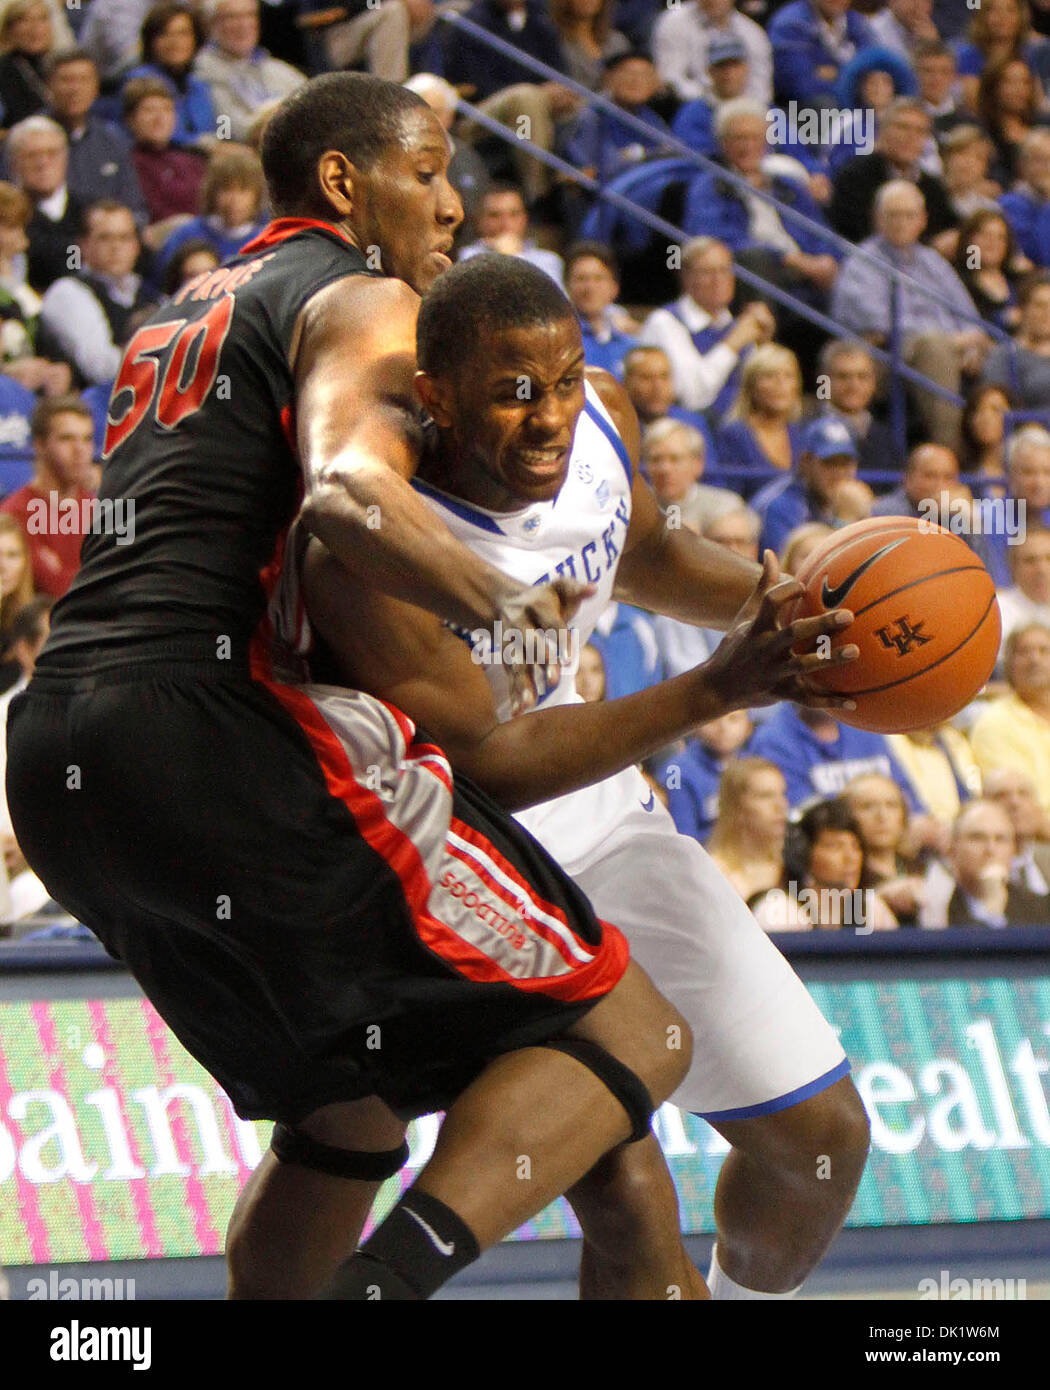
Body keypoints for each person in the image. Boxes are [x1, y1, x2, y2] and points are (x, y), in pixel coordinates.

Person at [5, 71, 705, 1307]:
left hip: (64, 759)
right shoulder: (364, 292)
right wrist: (497, 601)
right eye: (429, 173)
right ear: (344, 183)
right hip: (216, 729)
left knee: (351, 1124)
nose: (452, 205)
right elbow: (347, 490)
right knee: (632, 1036)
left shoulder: (183, 308)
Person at [297, 250, 870, 1302]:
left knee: (820, 1143)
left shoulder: (605, 413)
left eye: (562, 380)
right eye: (514, 392)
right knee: (631, 1206)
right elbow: (492, 770)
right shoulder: (369, 563)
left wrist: (792, 617)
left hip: (613, 823)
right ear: (436, 397)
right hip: (466, 865)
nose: (550, 415)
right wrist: (713, 690)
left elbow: (644, 551)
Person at [831, 180, 991, 455]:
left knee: (1004, 355)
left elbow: (970, 318)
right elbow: (879, 325)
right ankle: (950, 455)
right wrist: (954, 341)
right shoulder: (862, 262)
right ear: (877, 218)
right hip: (883, 354)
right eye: (893, 215)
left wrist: (973, 344)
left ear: (923, 220)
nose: (902, 222)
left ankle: (1002, 455)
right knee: (934, 346)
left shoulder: (932, 261)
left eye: (910, 215)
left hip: (948, 348)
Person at [639, 235, 776, 420]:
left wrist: (764, 345)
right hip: (687, 433)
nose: (718, 279)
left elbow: (762, 397)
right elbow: (692, 397)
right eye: (707, 272)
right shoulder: (665, 322)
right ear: (686, 278)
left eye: (724, 270)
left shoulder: (740, 327)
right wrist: (733, 343)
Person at [38, 200, 158, 387]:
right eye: (105, 238)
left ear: (136, 246)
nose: (115, 247)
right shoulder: (69, 292)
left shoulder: (152, 294)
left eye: (124, 238)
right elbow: (100, 367)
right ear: (84, 245)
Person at [827, 97, 956, 248]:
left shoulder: (932, 187)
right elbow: (854, 235)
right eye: (902, 127)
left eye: (919, 131)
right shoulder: (854, 177)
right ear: (882, 131)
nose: (910, 136)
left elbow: (950, 230)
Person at [0, 394, 94, 596]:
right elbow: (53, 590)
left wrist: (61, 573)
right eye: (66, 439)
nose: (80, 450)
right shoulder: (15, 515)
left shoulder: (104, 511)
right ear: (39, 445)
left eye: (87, 439)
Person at [44, 50, 148, 224]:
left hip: (108, 238)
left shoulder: (114, 140)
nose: (74, 89)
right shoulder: (29, 139)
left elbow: (134, 205)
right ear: (48, 86)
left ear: (96, 88)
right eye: (66, 80)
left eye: (83, 80)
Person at [194, 0, 305, 146]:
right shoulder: (203, 76)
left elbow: (314, 101)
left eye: (249, 15)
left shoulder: (275, 68)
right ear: (212, 24)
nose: (243, 25)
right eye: (232, 17)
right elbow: (226, 132)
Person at [750, 415, 859, 556]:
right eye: (830, 463)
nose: (839, 474)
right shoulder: (779, 507)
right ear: (805, 462)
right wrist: (845, 521)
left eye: (845, 464)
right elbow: (789, 572)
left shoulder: (852, 501)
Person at [971, 621, 1050, 814]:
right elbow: (1018, 811)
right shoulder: (995, 723)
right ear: (1009, 664)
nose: (1035, 660)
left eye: (1044, 651)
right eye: (1024, 652)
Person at [933, 799, 1050, 927]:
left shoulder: (1040, 909)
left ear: (1013, 850)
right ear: (953, 848)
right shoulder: (935, 906)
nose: (990, 849)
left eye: (1000, 839)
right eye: (977, 838)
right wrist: (991, 912)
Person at [121, 2, 217, 149]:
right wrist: (202, 143)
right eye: (164, 34)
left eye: (183, 33)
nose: (175, 41)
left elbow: (210, 130)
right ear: (151, 41)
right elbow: (158, 135)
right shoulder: (140, 80)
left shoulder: (199, 84)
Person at [6, 114, 83, 292]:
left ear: (66, 158)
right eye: (32, 155)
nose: (43, 163)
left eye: (52, 153)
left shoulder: (89, 211)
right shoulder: (6, 217)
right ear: (12, 163)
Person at [652, 0, 773, 106]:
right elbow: (672, 79)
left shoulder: (752, 33)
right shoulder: (674, 22)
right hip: (690, 105)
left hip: (744, 110)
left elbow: (761, 89)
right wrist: (716, 101)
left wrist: (739, 108)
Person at [715, 342, 806, 482]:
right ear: (750, 386)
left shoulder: (803, 434)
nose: (780, 384)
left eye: (788, 376)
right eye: (769, 376)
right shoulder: (734, 435)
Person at [663, 707, 753, 844]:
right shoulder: (676, 771)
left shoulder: (753, 766)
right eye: (713, 719)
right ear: (695, 724)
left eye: (733, 719)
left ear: (749, 726)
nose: (723, 728)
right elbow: (682, 838)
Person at [706, 753, 789, 903]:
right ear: (736, 806)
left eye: (782, 794)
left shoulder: (796, 866)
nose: (781, 805)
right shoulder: (713, 873)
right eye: (765, 796)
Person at [767, 0, 877, 108]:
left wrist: (837, 73)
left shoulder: (857, 23)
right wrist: (852, 76)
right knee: (827, 105)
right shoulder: (790, 23)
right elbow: (799, 86)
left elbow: (873, 68)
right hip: (800, 109)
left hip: (848, 98)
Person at [817, 337, 901, 472]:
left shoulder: (887, 437)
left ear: (874, 383)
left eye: (862, 377)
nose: (853, 386)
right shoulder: (806, 429)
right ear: (824, 382)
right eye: (843, 376)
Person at [642, 417, 740, 530]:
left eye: (675, 459)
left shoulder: (725, 508)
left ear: (698, 464)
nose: (665, 469)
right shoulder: (636, 507)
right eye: (656, 459)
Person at [458, 182, 565, 285]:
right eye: (494, 215)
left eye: (514, 214)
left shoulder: (549, 261)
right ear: (479, 220)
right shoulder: (467, 257)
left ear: (524, 218)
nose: (505, 224)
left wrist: (515, 255)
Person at [564, 240, 639, 377]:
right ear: (567, 287)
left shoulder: (630, 344)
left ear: (614, 288)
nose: (590, 288)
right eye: (581, 279)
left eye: (598, 279)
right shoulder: (561, 340)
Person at [983, 270, 1050, 408]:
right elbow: (995, 405)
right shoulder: (1004, 355)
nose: (1046, 313)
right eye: (1039, 306)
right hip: (1028, 427)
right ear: (1022, 310)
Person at [983, 764, 1050, 894]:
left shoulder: (1047, 857)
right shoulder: (976, 870)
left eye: (1023, 794)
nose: (1014, 802)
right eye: (1001, 795)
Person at [0, 0, 58, 132]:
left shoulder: (58, 67)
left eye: (42, 19)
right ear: (8, 29)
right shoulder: (3, 69)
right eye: (24, 20)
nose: (34, 28)